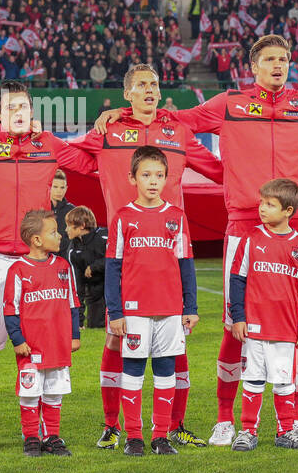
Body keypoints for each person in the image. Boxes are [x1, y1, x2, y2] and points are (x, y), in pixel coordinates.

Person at [161, 36, 298, 447]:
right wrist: (223, 171)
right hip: (243, 223)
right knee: (233, 325)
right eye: (270, 59)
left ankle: (291, 421)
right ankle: (225, 419)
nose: (279, 65)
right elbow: (177, 122)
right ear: (253, 66)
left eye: (285, 59)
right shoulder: (228, 103)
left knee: (293, 327)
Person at [0, 82, 93, 448]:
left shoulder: (49, 145)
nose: (19, 112)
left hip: (36, 262)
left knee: (40, 348)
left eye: (23, 105)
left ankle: (44, 429)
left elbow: (91, 160)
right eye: (11, 107)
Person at [82, 63, 223, 448]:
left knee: (174, 342)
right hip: (126, 250)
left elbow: (219, 171)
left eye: (154, 84)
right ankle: (115, 425)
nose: (149, 89)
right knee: (116, 339)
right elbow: (70, 157)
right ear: (127, 93)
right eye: (141, 84)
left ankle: (172, 426)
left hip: (170, 252)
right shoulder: (107, 130)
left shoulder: (178, 131)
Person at [103, 148, 198, 456]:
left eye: (159, 175)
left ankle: (160, 436)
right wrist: (115, 312)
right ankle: (133, 436)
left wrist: (191, 307)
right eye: (146, 175)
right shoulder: (123, 218)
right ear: (132, 178)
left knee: (165, 371)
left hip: (170, 310)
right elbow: (113, 267)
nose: (153, 182)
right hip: (134, 312)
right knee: (132, 372)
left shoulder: (176, 217)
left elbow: (186, 264)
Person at [226, 178, 298, 451]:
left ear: (288, 210)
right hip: (254, 326)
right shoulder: (251, 239)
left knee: (284, 381)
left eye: (269, 204)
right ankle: (247, 431)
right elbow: (236, 280)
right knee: (252, 379)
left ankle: (285, 431)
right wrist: (238, 317)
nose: (262, 208)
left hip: (286, 327)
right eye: (262, 202)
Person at [4, 209, 82, 457]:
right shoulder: (18, 270)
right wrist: (17, 339)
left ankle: (51, 437)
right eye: (53, 232)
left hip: (57, 345)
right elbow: (10, 309)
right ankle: (31, 438)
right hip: (31, 347)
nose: (59, 236)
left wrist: (74, 335)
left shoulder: (62, 267)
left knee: (53, 392)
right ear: (36, 239)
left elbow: (72, 303)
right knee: (30, 392)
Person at [65, 205, 107, 331]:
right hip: (94, 292)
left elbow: (119, 260)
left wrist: (94, 267)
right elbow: (78, 287)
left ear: (82, 225)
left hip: (117, 289)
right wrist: (78, 321)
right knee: (95, 326)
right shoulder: (72, 251)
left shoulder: (104, 236)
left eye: (69, 226)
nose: (66, 230)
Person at [48, 170, 72, 257]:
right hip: (43, 258)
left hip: (65, 259)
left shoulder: (73, 211)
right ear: (49, 187)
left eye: (62, 187)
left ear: (66, 188)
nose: (59, 191)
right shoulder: (40, 208)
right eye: (55, 187)